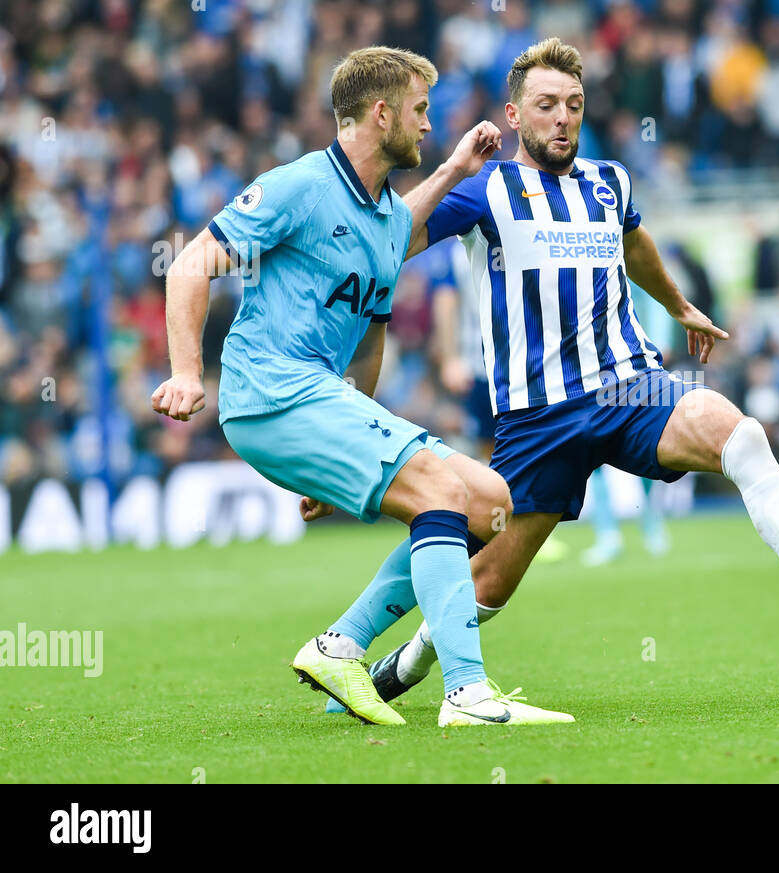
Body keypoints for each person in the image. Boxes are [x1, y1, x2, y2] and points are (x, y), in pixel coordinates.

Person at [326, 38, 779, 712]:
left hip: (632, 387)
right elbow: (394, 237)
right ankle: (404, 661)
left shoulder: (610, 180)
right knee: (490, 579)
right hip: (538, 416)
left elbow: (633, 242)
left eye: (573, 104)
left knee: (738, 432)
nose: (562, 117)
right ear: (514, 116)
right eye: (545, 106)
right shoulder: (487, 189)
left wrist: (678, 303)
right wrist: (452, 169)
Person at [150, 46, 570, 728]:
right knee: (439, 490)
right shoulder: (299, 186)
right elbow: (190, 263)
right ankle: (467, 693)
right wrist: (186, 372)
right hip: (270, 392)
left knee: (492, 502)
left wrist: (457, 169)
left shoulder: (384, 221)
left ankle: (340, 644)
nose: (429, 123)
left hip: (318, 402)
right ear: (381, 114)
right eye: (420, 110)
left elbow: (373, 330)